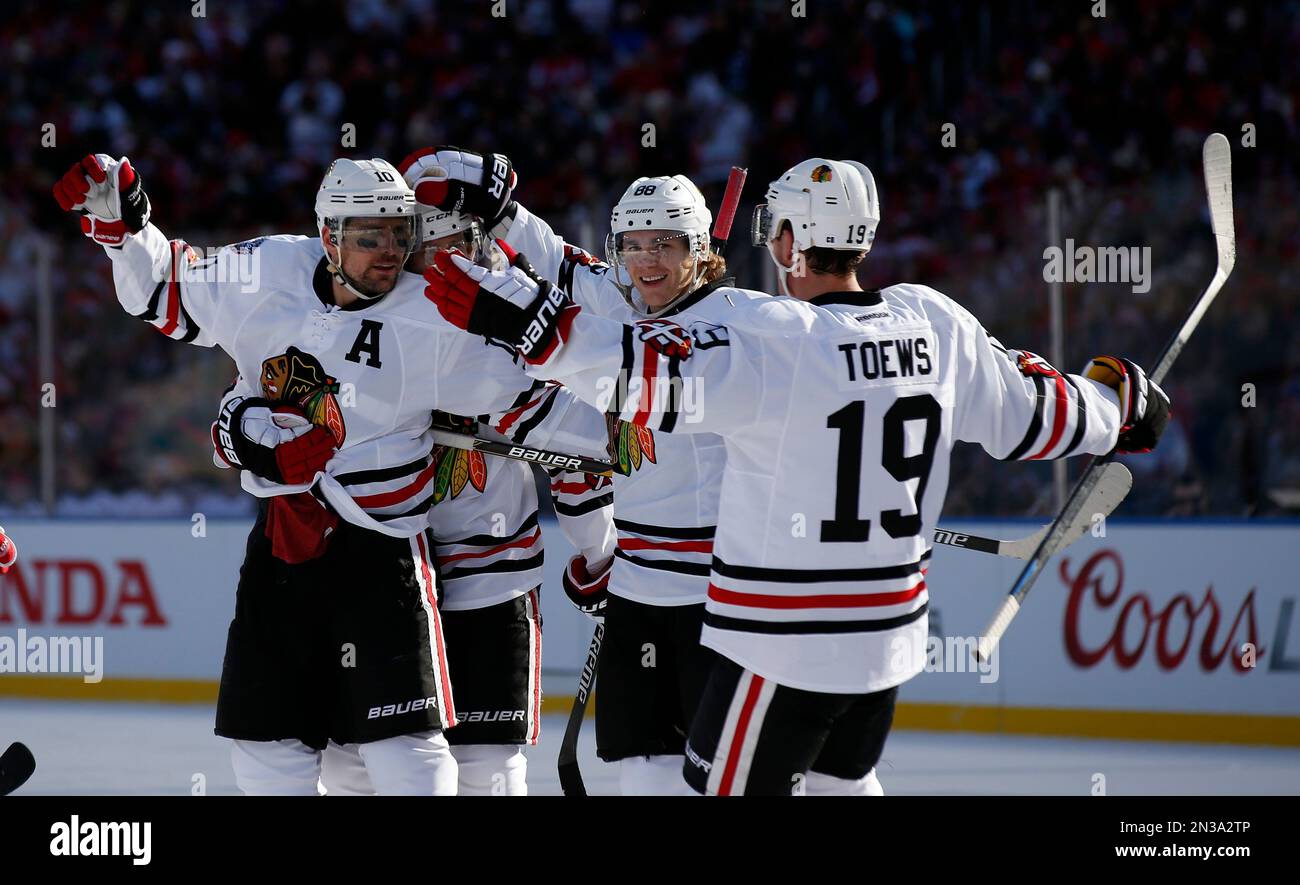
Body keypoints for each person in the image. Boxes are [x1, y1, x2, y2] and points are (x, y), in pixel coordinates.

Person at [422, 156, 1171, 795]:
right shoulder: (934, 324)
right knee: (843, 785)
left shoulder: (771, 338)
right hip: (888, 643)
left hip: (781, 643)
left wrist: (529, 322)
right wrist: (1117, 401)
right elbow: (1038, 414)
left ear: (786, 241)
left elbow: (639, 376)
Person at [53, 152, 607, 795]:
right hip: (283, 547)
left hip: (387, 559)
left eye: (402, 234)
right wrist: (126, 230)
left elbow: (548, 410)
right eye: (371, 236)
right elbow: (167, 292)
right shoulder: (265, 269)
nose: (391, 251)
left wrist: (649, 410)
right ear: (327, 236)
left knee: (416, 760)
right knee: (267, 751)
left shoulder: (436, 316)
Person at [405, 146, 767, 794]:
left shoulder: (740, 329)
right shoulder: (614, 305)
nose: (647, 259)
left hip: (720, 600)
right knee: (641, 778)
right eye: (634, 243)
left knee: (726, 780)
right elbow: (546, 258)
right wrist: (498, 209)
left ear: (699, 248)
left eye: (666, 243)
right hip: (638, 596)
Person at [316, 177, 616, 797]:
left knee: (488, 773)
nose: (446, 259)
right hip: (385, 574)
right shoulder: (368, 312)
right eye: (429, 245)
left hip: (490, 576)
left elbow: (581, 447)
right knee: (353, 764)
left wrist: (599, 551)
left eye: (459, 242)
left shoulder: (515, 307)